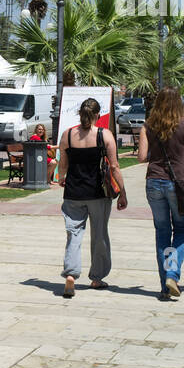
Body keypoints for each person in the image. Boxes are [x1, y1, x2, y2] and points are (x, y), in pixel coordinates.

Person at [56, 97, 127, 297]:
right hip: (98, 192)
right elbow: (114, 167)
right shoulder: (104, 135)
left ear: (80, 113)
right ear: (97, 115)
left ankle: (71, 274)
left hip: (73, 192)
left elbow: (63, 164)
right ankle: (97, 277)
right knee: (99, 235)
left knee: (74, 234)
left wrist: (62, 178)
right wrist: (122, 193)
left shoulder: (67, 135)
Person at [139, 87, 184, 300]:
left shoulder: (148, 125)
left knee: (162, 232)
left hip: (154, 181)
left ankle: (165, 286)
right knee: (182, 228)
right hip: (179, 184)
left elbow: (140, 157)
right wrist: (180, 157)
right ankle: (172, 274)